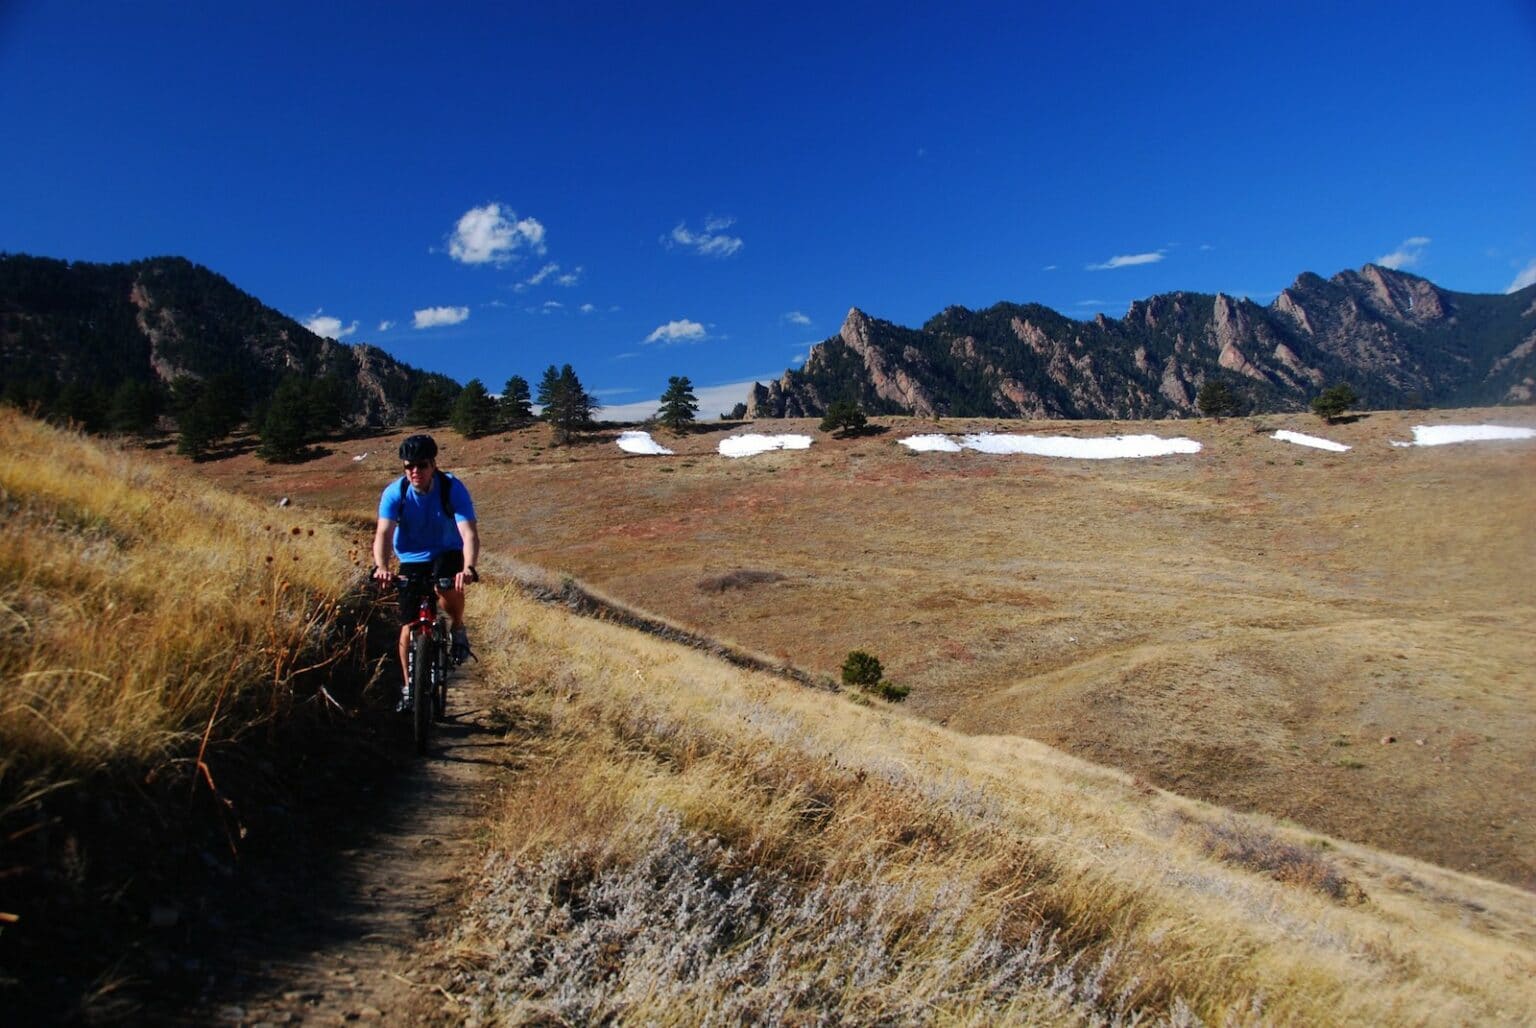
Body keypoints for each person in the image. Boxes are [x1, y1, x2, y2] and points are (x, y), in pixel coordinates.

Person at [371, 434, 480, 710]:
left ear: (433, 465)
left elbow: (468, 534)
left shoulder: (451, 488)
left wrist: (468, 567)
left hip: (446, 550)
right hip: (410, 557)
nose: (414, 472)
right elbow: (383, 534)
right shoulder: (395, 492)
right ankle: (410, 688)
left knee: (446, 586)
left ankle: (457, 627)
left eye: (421, 465)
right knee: (408, 626)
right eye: (408, 466)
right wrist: (382, 567)